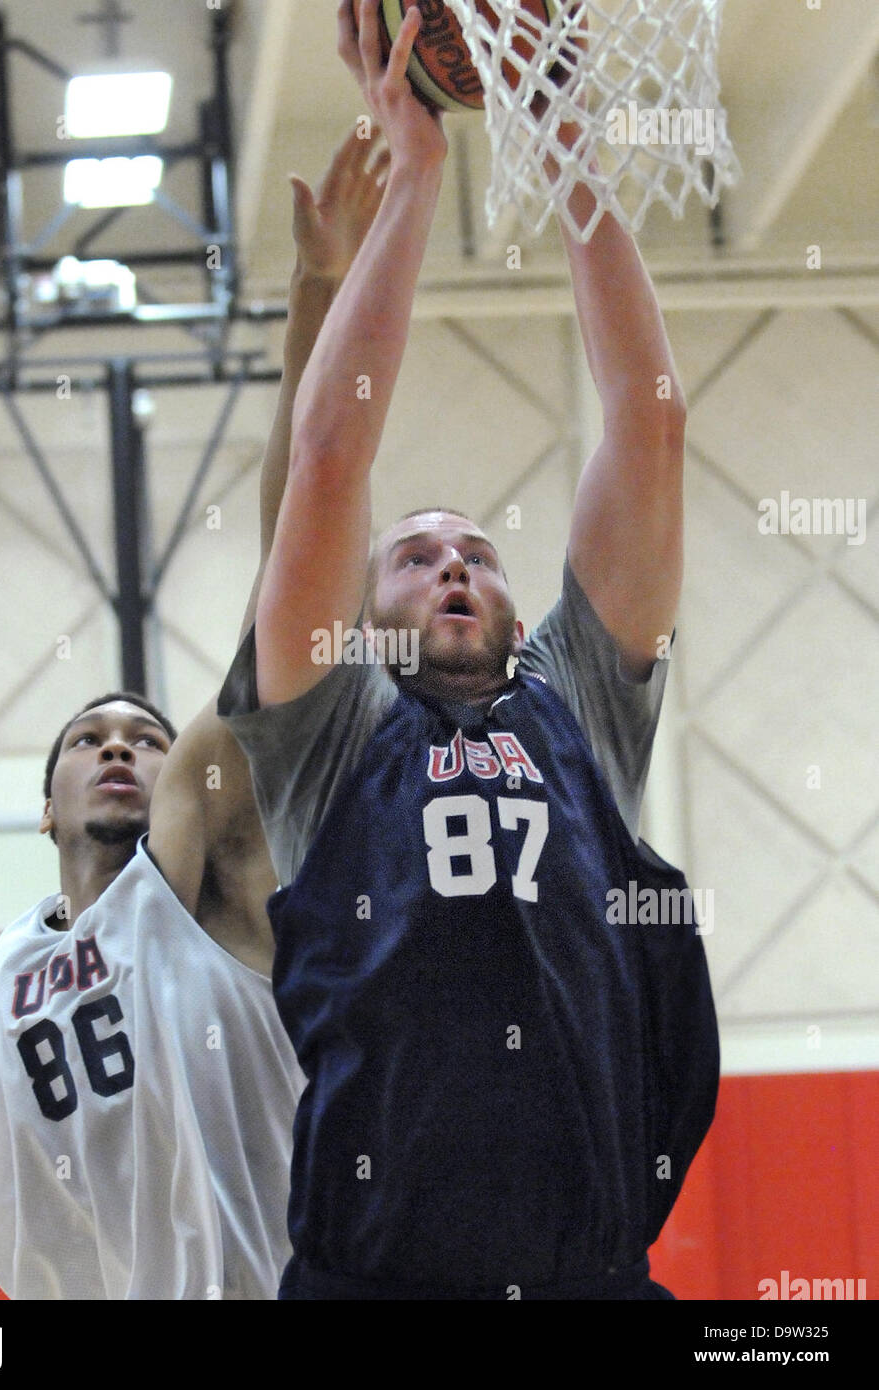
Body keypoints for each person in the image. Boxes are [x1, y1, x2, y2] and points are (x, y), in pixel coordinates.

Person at [219, 0, 719, 1300]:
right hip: (375, 1282)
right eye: (417, 551)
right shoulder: (326, 723)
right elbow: (332, 457)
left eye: (480, 552)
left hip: (590, 1277)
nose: (453, 560)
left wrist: (569, 156)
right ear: (362, 616)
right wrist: (418, 179)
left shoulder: (580, 703)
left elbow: (648, 422)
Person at [0, 128, 391, 1300]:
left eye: (145, 738)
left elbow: (302, 554)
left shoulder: (213, 886)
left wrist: (314, 293)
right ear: (40, 810)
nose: (117, 747)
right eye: (86, 738)